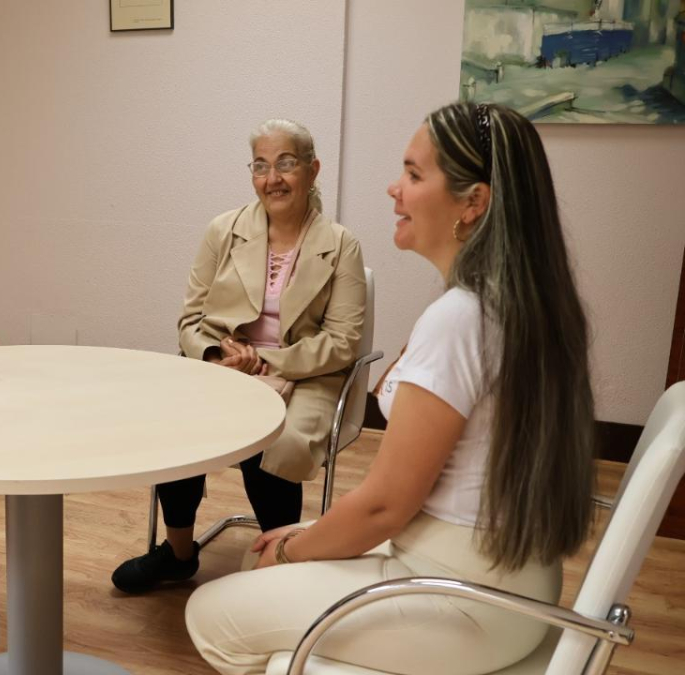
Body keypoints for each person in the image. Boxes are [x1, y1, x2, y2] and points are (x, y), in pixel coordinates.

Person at [184, 102, 596, 675]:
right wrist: (307, 535)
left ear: (473, 203)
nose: (393, 189)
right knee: (281, 576)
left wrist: (287, 550)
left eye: (413, 174)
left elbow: (383, 506)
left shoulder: (460, 318)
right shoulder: (523, 303)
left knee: (211, 613)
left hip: (462, 599)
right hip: (509, 580)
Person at [111, 119, 366, 594]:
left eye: (286, 164)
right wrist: (213, 356)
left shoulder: (341, 245)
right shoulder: (223, 231)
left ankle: (278, 561)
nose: (273, 179)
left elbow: (344, 341)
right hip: (226, 367)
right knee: (175, 425)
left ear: (313, 170)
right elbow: (190, 321)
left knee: (273, 437)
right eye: (261, 166)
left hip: (307, 374)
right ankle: (179, 553)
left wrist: (273, 364)